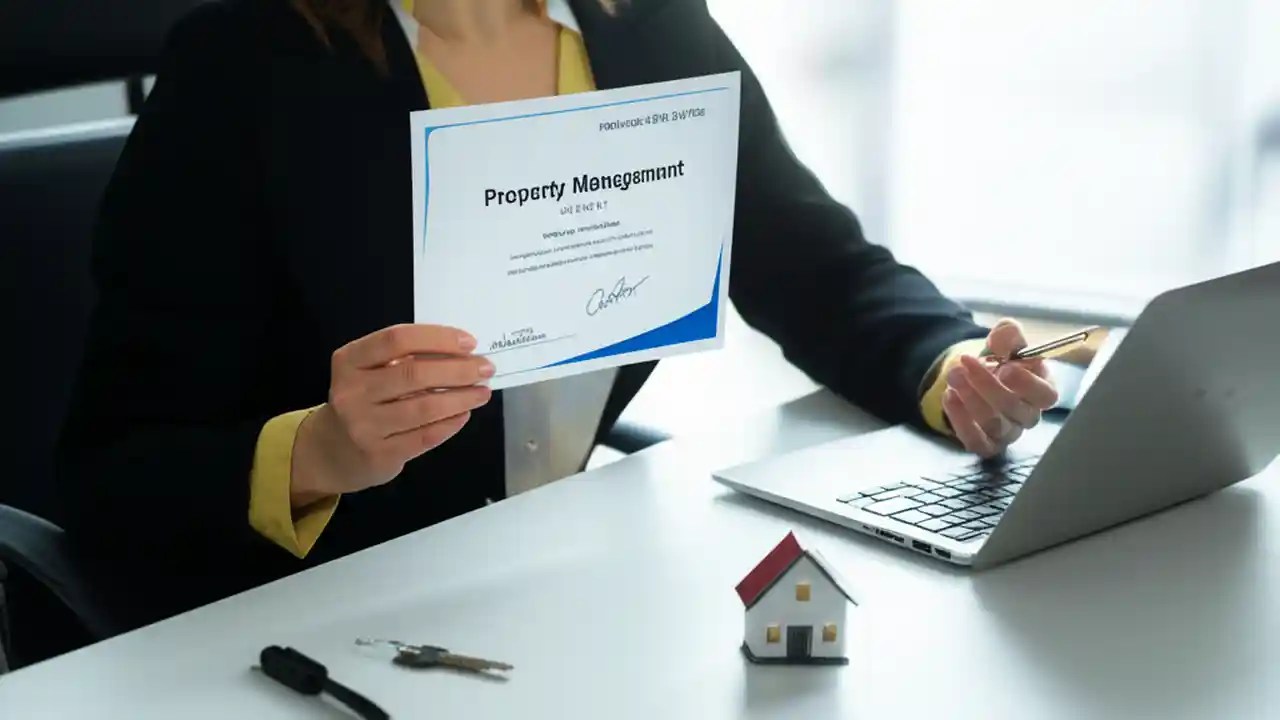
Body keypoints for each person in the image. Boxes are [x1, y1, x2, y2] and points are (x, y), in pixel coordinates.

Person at [57, 0, 1058, 628]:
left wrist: (949, 364)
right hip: (326, 617)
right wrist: (317, 451)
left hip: (577, 586)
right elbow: (112, 472)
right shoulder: (243, 64)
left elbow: (814, 265)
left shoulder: (650, 23)